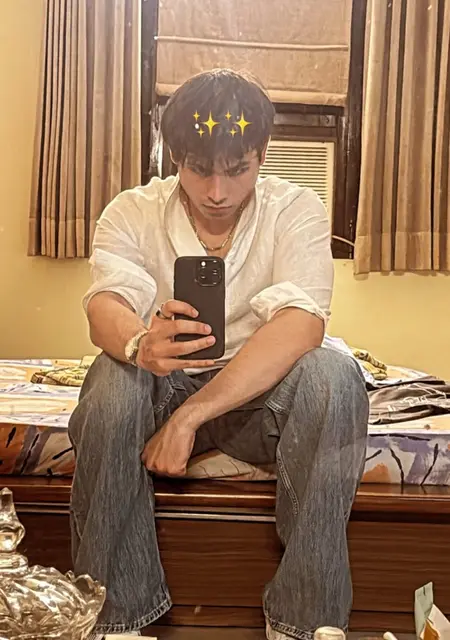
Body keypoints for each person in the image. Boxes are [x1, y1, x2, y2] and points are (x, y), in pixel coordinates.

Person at [69, 68, 369, 640]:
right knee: (111, 378)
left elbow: (302, 325)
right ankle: (115, 620)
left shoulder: (295, 209)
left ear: (263, 155)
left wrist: (189, 417)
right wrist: (139, 344)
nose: (216, 192)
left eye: (237, 170)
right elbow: (105, 304)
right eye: (199, 168)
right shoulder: (131, 210)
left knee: (335, 373)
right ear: (173, 156)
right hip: (158, 388)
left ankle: (306, 623)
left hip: (256, 400)